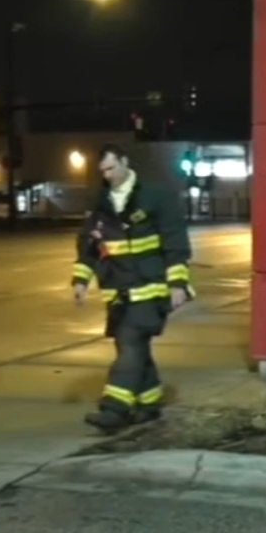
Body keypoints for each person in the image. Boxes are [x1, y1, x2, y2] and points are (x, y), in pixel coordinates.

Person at [71, 144, 193, 431]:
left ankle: (114, 410)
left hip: (151, 288)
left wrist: (178, 283)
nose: (108, 176)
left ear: (125, 161)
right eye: (103, 172)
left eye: (112, 168)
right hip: (118, 291)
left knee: (130, 343)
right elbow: (89, 244)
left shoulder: (156, 196)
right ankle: (150, 403)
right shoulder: (102, 202)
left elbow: (175, 241)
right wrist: (80, 279)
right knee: (134, 347)